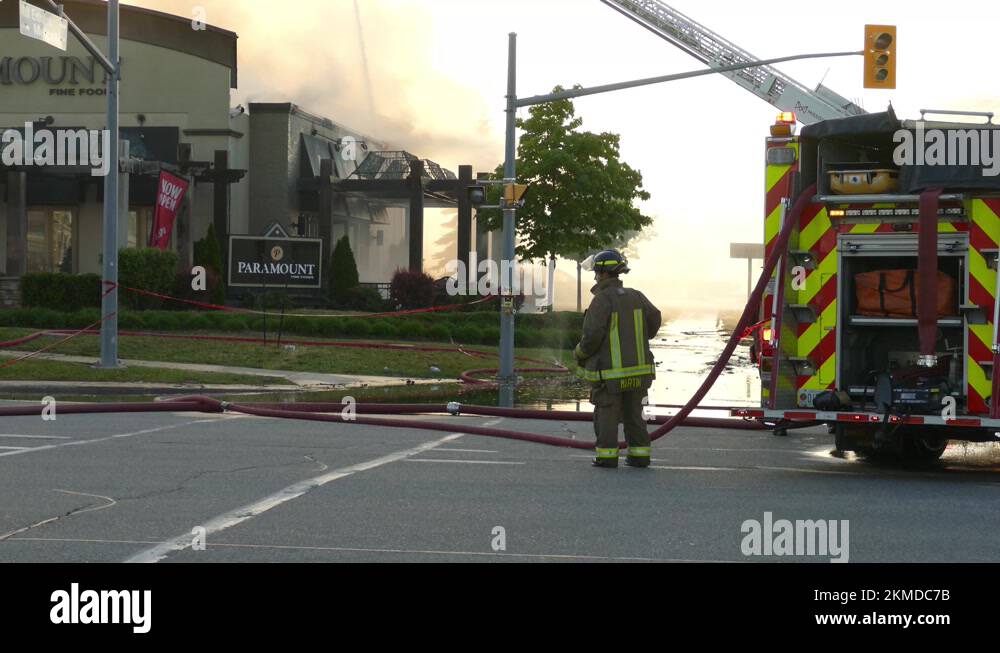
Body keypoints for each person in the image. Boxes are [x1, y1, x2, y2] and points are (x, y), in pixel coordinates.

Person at [574, 249, 661, 468]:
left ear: (603, 273)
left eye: (596, 272)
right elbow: (655, 318)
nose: (595, 276)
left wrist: (579, 353)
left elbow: (592, 336)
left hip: (610, 375)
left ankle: (607, 456)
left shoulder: (602, 300)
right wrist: (641, 336)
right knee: (635, 416)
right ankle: (640, 455)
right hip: (639, 373)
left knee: (607, 415)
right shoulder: (637, 296)